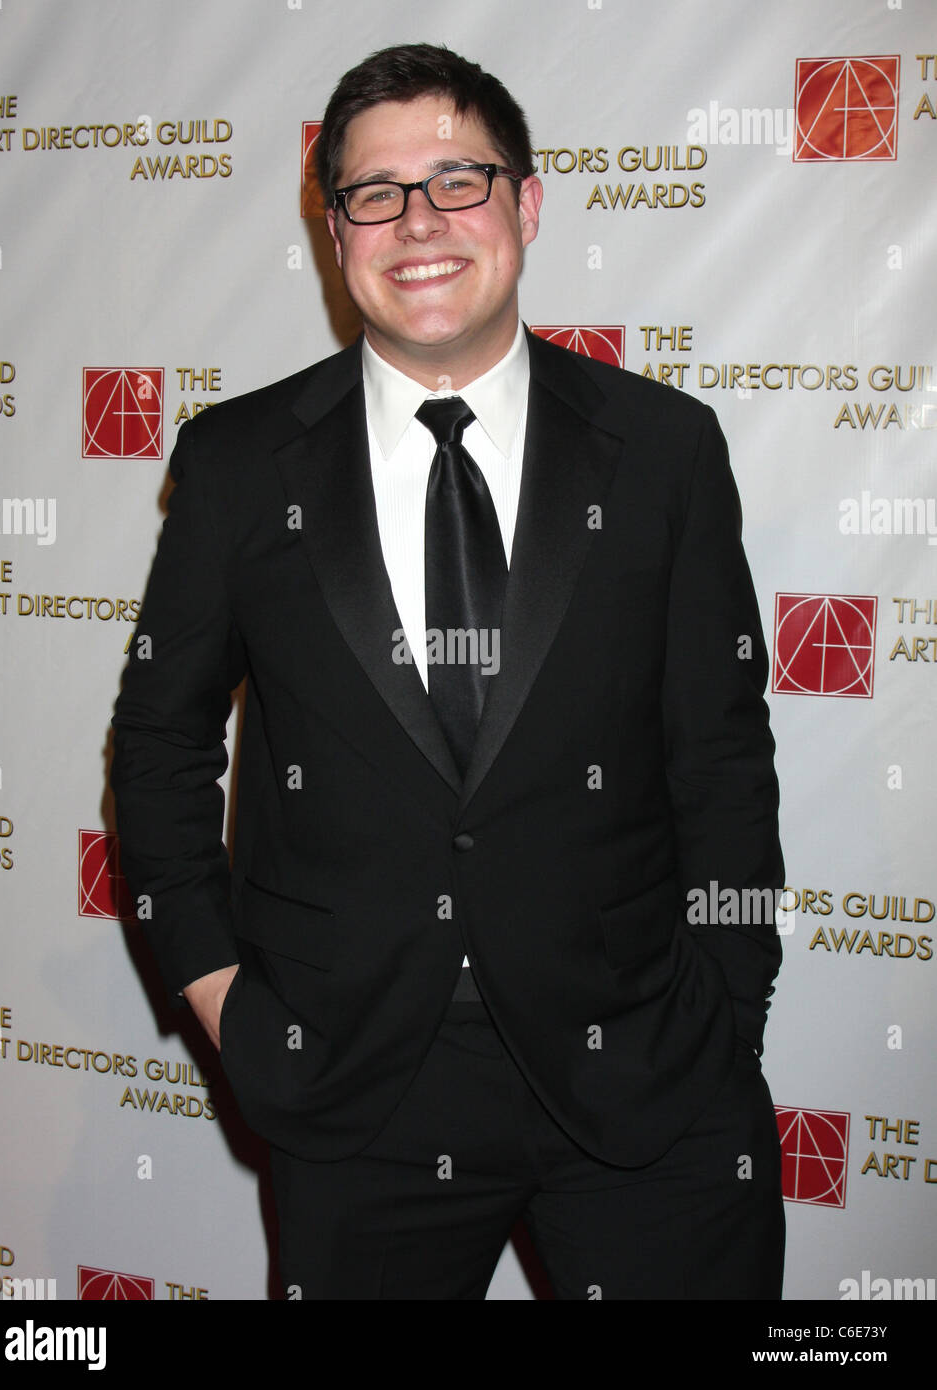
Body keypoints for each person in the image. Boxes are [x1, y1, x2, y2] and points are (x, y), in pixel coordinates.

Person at [111, 42, 785, 1300]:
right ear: (335, 232)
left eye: (457, 180)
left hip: (646, 1073)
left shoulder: (662, 451)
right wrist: (222, 999)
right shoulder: (241, 462)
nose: (417, 222)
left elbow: (723, 759)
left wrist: (726, 1010)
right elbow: (158, 746)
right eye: (374, 192)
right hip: (354, 1088)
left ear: (526, 205)